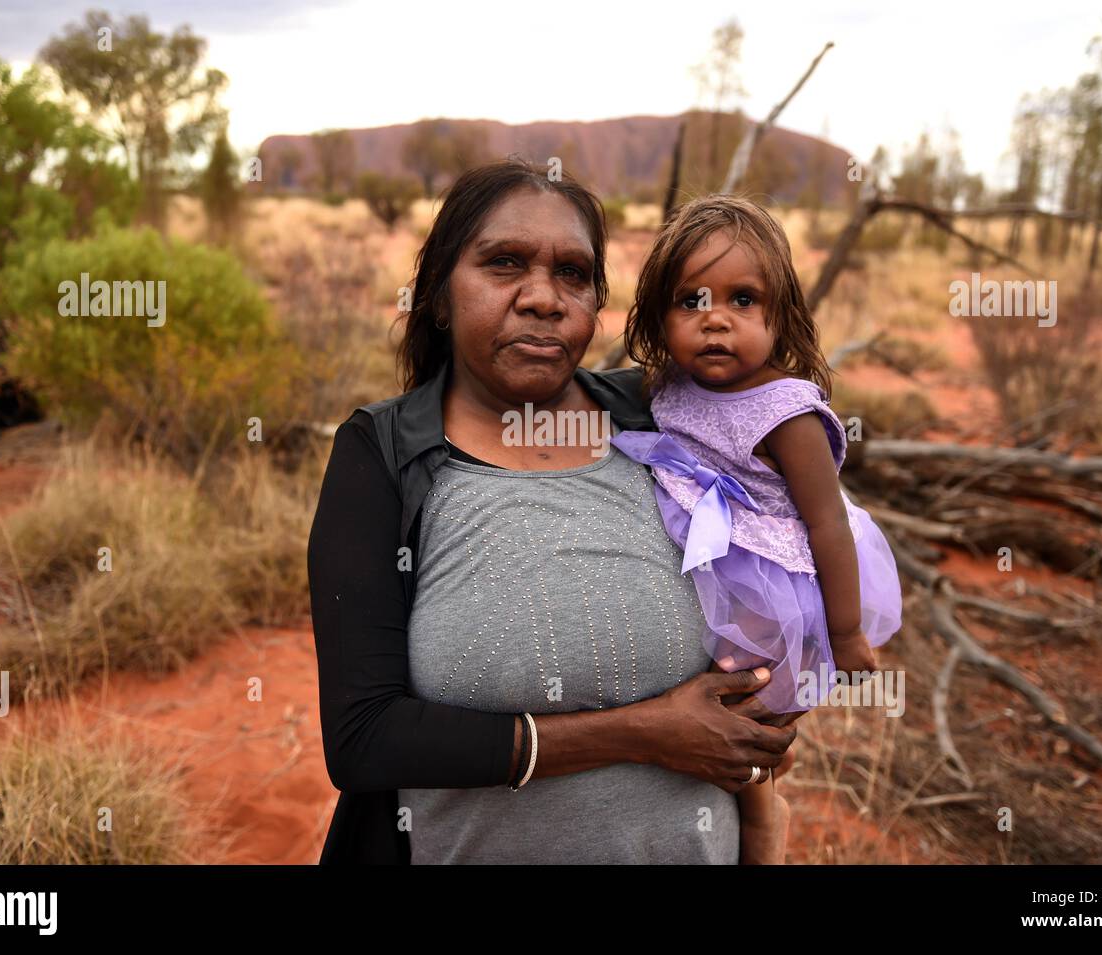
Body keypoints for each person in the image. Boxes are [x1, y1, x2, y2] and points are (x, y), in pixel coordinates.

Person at [308, 160, 799, 864]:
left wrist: (761, 819)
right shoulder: (385, 455)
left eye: (573, 273)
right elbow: (364, 739)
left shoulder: (663, 422)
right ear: (440, 295)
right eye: (504, 263)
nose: (543, 297)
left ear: (598, 301)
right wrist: (644, 732)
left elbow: (770, 598)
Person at [610, 193, 903, 839]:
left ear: (781, 314)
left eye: (742, 300)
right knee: (696, 703)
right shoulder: (669, 385)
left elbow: (827, 523)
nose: (715, 321)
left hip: (774, 590)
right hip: (708, 566)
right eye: (692, 301)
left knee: (749, 714)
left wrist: (849, 634)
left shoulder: (788, 413)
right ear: (660, 316)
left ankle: (761, 819)